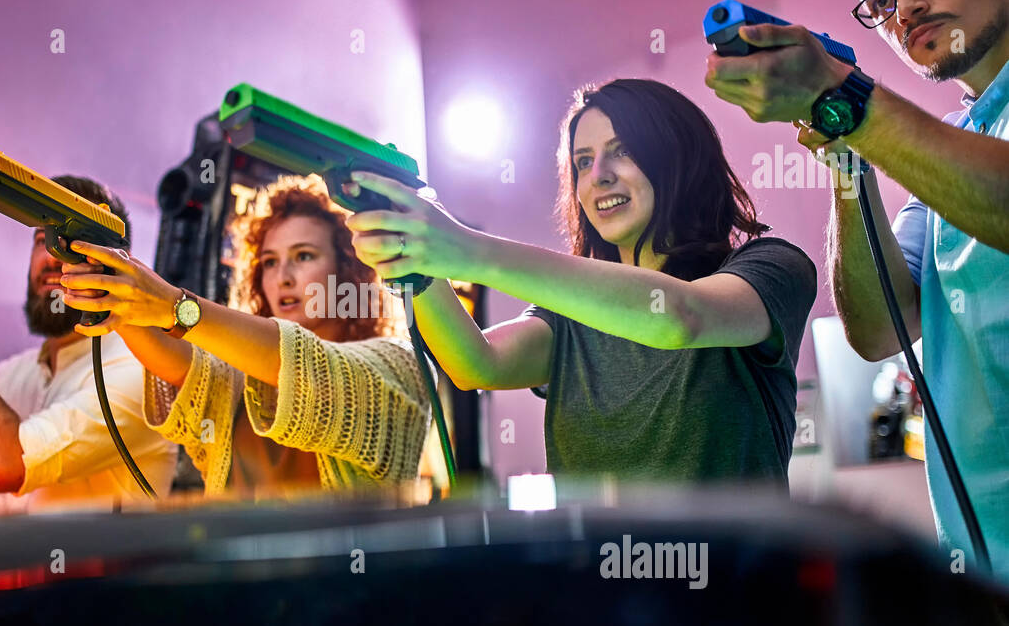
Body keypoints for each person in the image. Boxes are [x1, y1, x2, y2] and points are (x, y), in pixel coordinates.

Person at [703, 0, 1009, 576]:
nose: (905, 10)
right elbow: (876, 329)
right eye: (881, 2)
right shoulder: (950, 155)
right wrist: (848, 155)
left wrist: (856, 98)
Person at [346, 79, 817, 489]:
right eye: (582, 162)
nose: (598, 177)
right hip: (598, 590)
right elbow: (475, 364)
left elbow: (677, 318)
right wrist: (415, 257)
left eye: (622, 151)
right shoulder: (570, 316)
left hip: (735, 590)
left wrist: (466, 249)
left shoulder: (770, 267)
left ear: (679, 157)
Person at [59, 174, 431, 499]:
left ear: (350, 269)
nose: (283, 276)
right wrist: (113, 291)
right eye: (269, 261)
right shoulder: (242, 374)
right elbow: (185, 367)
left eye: (303, 256)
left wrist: (172, 304)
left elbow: (302, 363)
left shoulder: (400, 366)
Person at [0, 176, 177, 518]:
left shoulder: (139, 371)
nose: (50, 258)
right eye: (42, 240)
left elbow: (0, 467)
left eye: (68, 243)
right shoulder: (10, 374)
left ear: (118, 262)